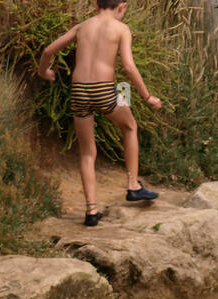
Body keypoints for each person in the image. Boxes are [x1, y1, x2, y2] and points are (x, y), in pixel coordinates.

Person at [37, 0, 163, 227]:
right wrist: (147, 97)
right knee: (129, 127)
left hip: (79, 92)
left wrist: (44, 71)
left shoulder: (82, 27)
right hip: (103, 91)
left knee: (87, 152)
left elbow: (48, 50)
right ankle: (133, 185)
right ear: (122, 7)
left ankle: (91, 211)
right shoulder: (121, 29)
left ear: (95, 5)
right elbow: (128, 67)